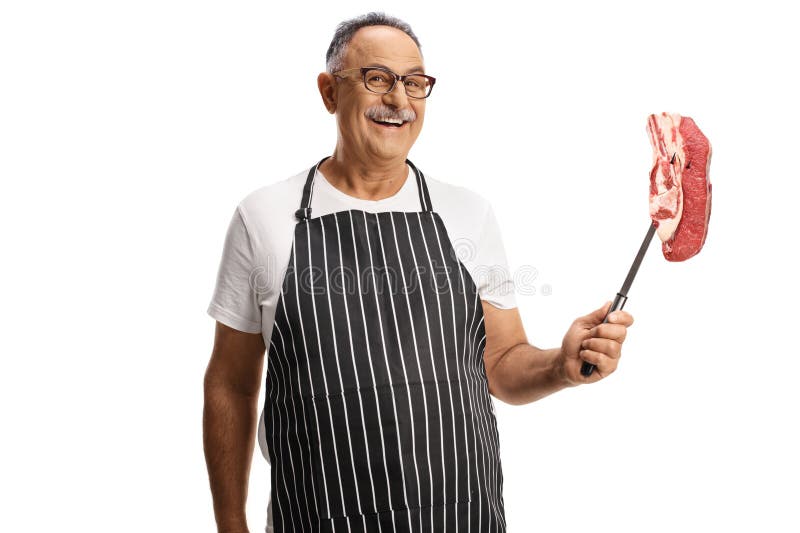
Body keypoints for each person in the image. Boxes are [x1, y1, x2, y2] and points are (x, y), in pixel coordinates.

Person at [203, 12, 634, 533]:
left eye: (414, 83)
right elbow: (231, 383)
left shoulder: (469, 214)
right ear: (329, 92)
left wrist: (560, 366)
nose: (398, 101)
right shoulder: (263, 218)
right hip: (318, 517)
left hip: (462, 516)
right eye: (377, 78)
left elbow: (500, 363)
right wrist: (231, 523)